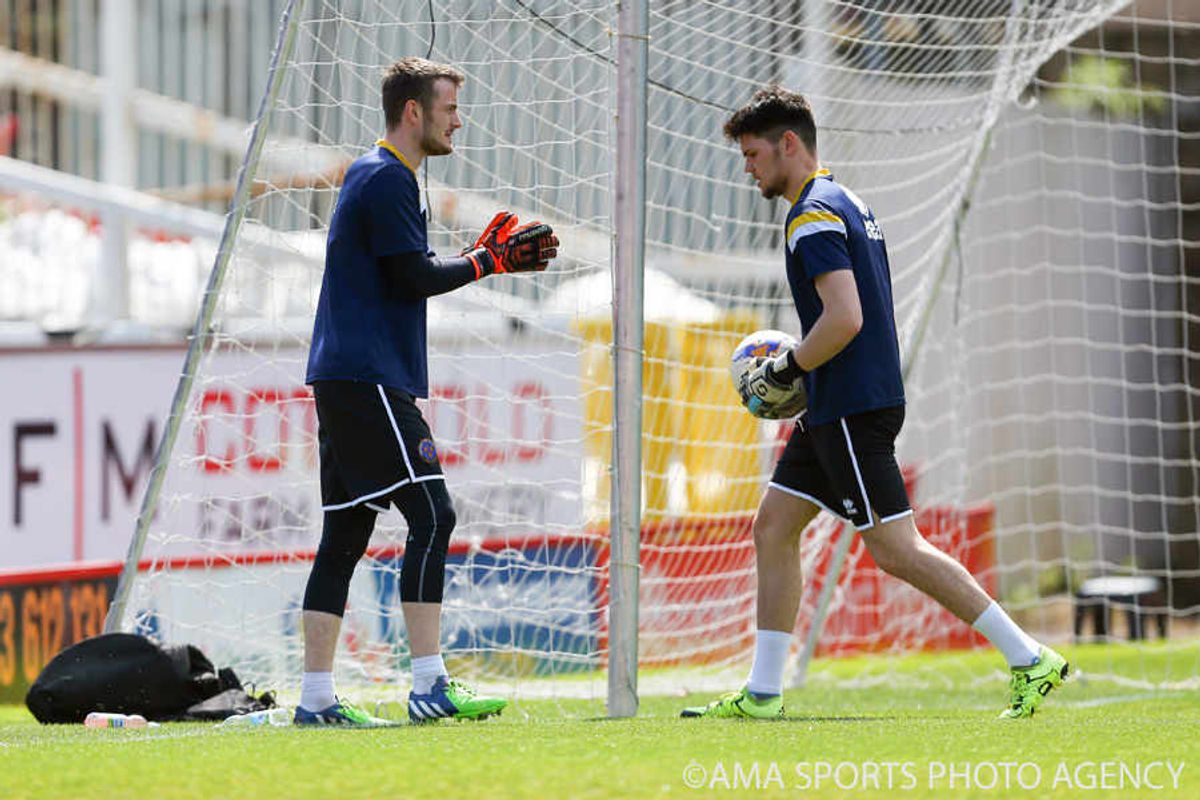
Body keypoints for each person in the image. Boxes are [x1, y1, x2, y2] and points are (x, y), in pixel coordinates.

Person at [681, 86, 1067, 721]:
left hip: (850, 408)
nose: (747, 168)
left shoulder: (811, 215)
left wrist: (786, 367)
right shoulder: (847, 201)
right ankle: (763, 694)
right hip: (836, 405)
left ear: (788, 144)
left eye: (752, 154)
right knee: (773, 527)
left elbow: (845, 318)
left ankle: (1029, 657)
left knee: (895, 549)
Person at [296, 57, 559, 726]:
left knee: (345, 535)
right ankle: (428, 685)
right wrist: (488, 259)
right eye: (449, 108)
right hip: (367, 378)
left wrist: (475, 258)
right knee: (434, 515)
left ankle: (316, 699)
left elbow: (405, 272)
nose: (458, 121)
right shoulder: (386, 175)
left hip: (347, 375)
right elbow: (413, 278)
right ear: (413, 112)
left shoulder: (381, 175)